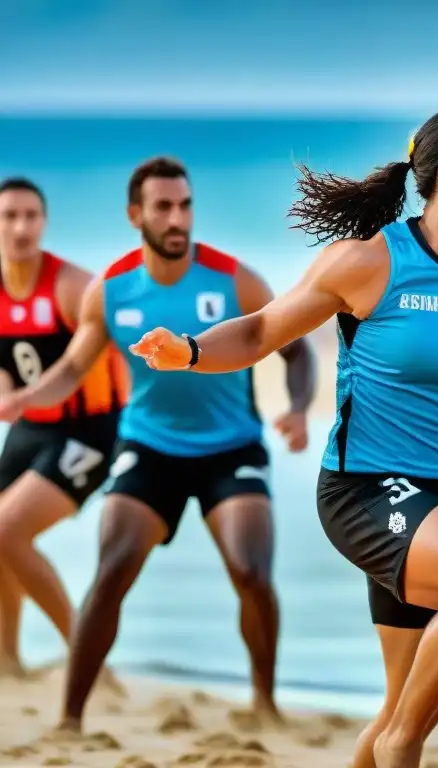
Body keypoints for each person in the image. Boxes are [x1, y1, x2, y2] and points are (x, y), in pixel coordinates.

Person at [129, 108, 438, 768]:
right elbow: (260, 332)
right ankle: (401, 741)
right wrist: (187, 349)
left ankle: (393, 738)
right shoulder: (370, 263)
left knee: (402, 704)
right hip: (365, 490)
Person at [0, 157, 317, 730]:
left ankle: (265, 704)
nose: (178, 219)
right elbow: (73, 367)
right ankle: (71, 718)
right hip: (148, 447)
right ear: (135, 215)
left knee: (251, 571)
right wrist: (25, 400)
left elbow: (295, 349)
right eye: (164, 207)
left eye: (185, 205)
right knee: (114, 567)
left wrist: (296, 409)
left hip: (231, 449)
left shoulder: (234, 279)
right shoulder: (111, 291)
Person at [0, 177, 128, 677]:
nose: (21, 226)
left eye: (31, 215)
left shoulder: (72, 287)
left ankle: (87, 662)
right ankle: (8, 662)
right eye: (10, 216)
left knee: (8, 532)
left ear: (45, 222)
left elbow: (115, 354)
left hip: (91, 431)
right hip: (33, 428)